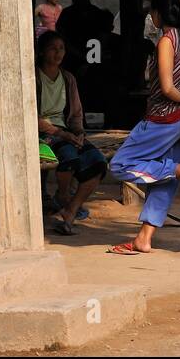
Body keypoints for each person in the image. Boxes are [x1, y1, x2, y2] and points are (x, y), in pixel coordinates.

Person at [107, 0, 180, 255]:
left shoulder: (167, 40)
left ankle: (179, 170)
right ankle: (144, 238)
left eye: (150, 11)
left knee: (120, 164)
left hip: (163, 118)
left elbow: (167, 87)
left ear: (158, 13)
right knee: (164, 176)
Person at [35, 30, 108, 235]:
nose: (58, 53)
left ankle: (71, 209)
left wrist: (78, 132)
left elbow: (76, 113)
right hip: (41, 132)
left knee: (98, 163)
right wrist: (62, 134)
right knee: (68, 158)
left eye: (61, 48)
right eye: (52, 48)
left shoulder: (67, 78)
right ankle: (64, 195)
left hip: (64, 130)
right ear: (41, 52)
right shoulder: (34, 77)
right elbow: (30, 117)